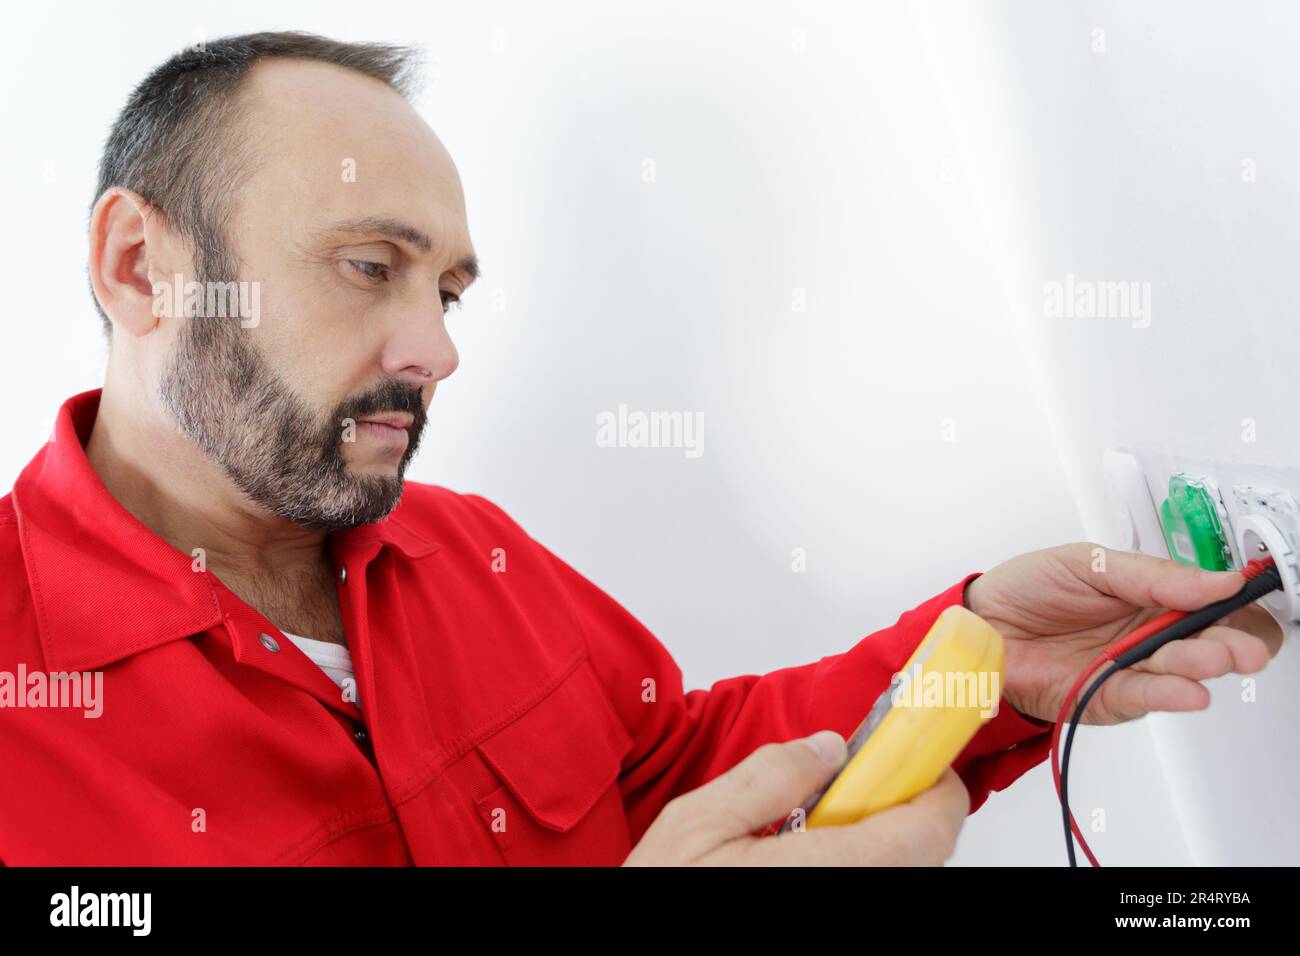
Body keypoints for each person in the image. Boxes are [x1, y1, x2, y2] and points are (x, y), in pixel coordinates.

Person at [0, 32, 1281, 866]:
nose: (435, 349)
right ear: (140, 266)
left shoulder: (471, 552)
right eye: (366, 265)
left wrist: (980, 666)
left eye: (445, 290)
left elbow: (675, 767)